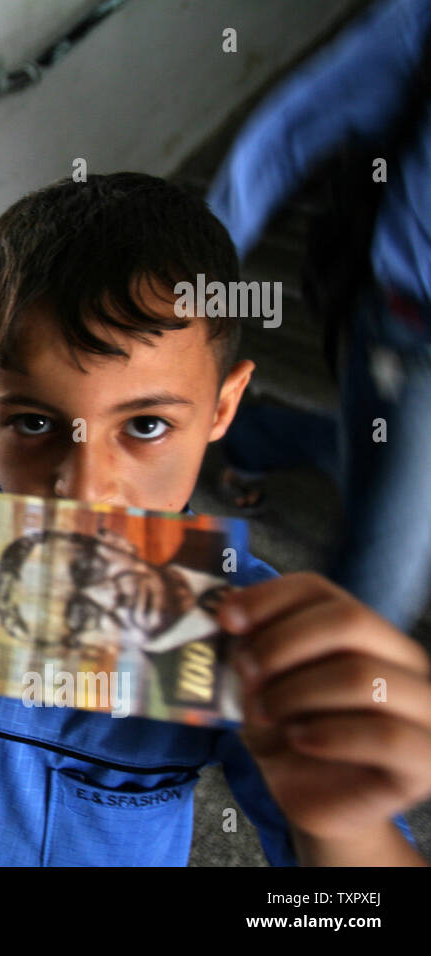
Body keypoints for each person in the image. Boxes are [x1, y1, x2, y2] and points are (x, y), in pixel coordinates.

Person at [0, 173, 431, 865]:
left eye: (144, 424)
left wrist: (341, 824)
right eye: (36, 421)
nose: (83, 488)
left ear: (224, 408)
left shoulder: (239, 618)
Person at [208, 0, 431, 630]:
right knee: (376, 597)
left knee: (373, 455)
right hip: (411, 339)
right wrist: (191, 288)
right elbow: (288, 132)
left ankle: (250, 436)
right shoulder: (417, 24)